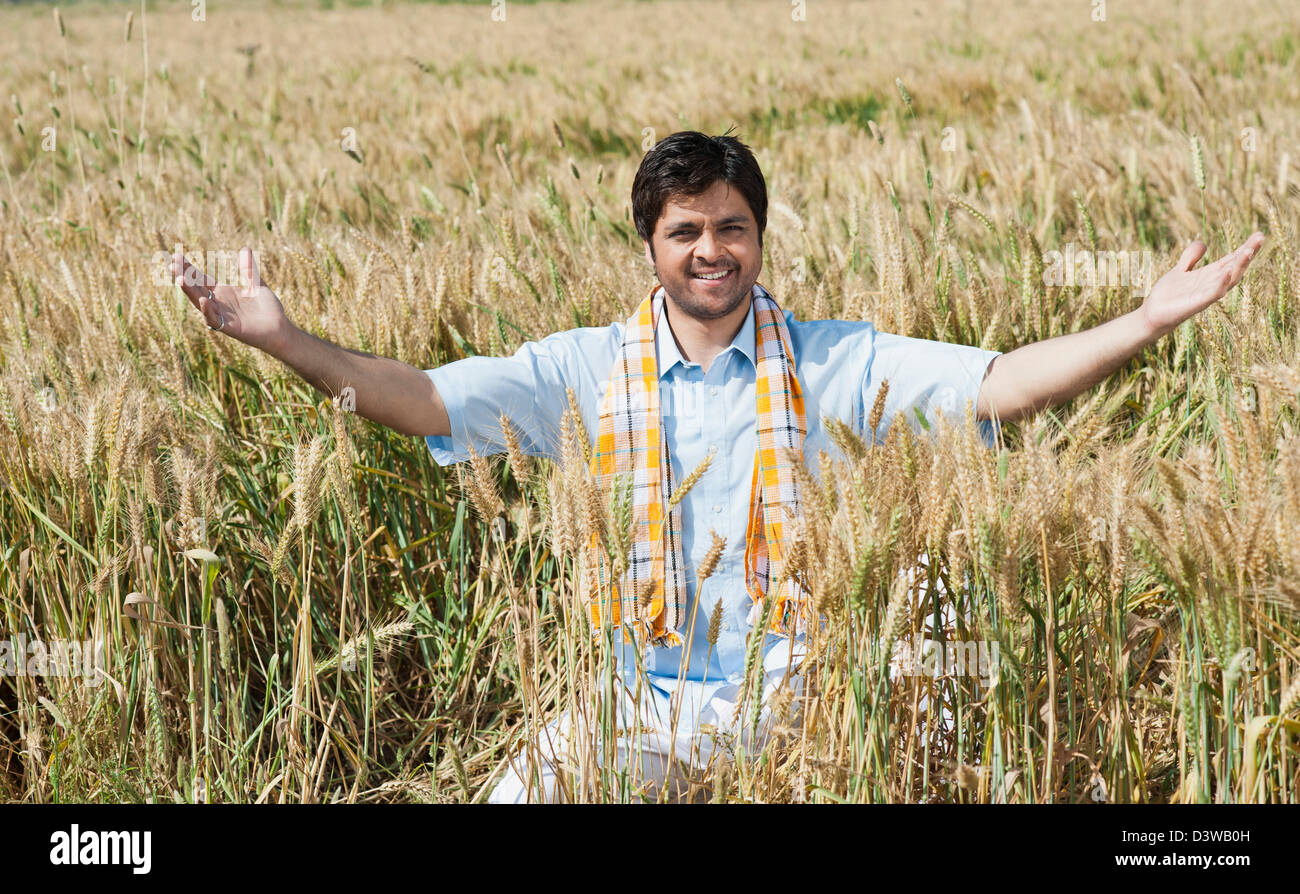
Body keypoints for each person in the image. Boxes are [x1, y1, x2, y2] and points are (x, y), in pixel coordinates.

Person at [172, 130, 1264, 803]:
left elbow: (1002, 385)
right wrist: (283, 340)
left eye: (732, 228)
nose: (711, 250)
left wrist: (1143, 321)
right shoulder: (584, 371)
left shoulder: (835, 362)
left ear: (760, 237)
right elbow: (421, 400)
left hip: (803, 704)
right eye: (685, 230)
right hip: (634, 705)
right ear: (649, 244)